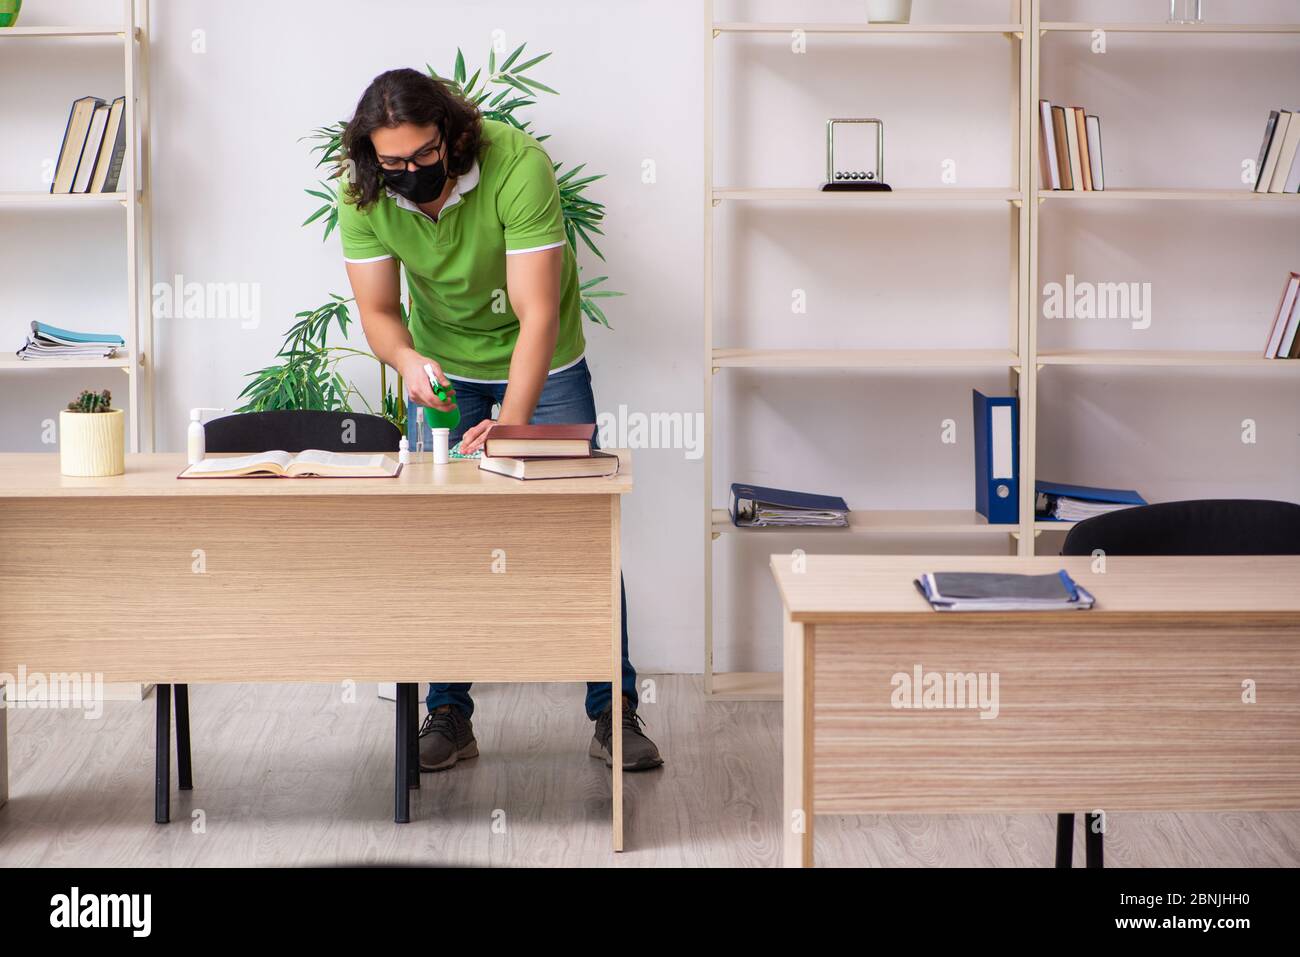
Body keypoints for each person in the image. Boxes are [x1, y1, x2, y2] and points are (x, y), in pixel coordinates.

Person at [337, 68, 662, 773]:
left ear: (451, 137)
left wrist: (512, 426)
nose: (410, 173)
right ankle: (448, 713)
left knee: (582, 534)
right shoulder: (364, 188)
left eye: (423, 157)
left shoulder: (517, 164)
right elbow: (380, 314)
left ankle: (615, 710)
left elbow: (537, 312)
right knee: (445, 539)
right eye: (393, 164)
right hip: (445, 374)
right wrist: (405, 361)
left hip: (542, 366)